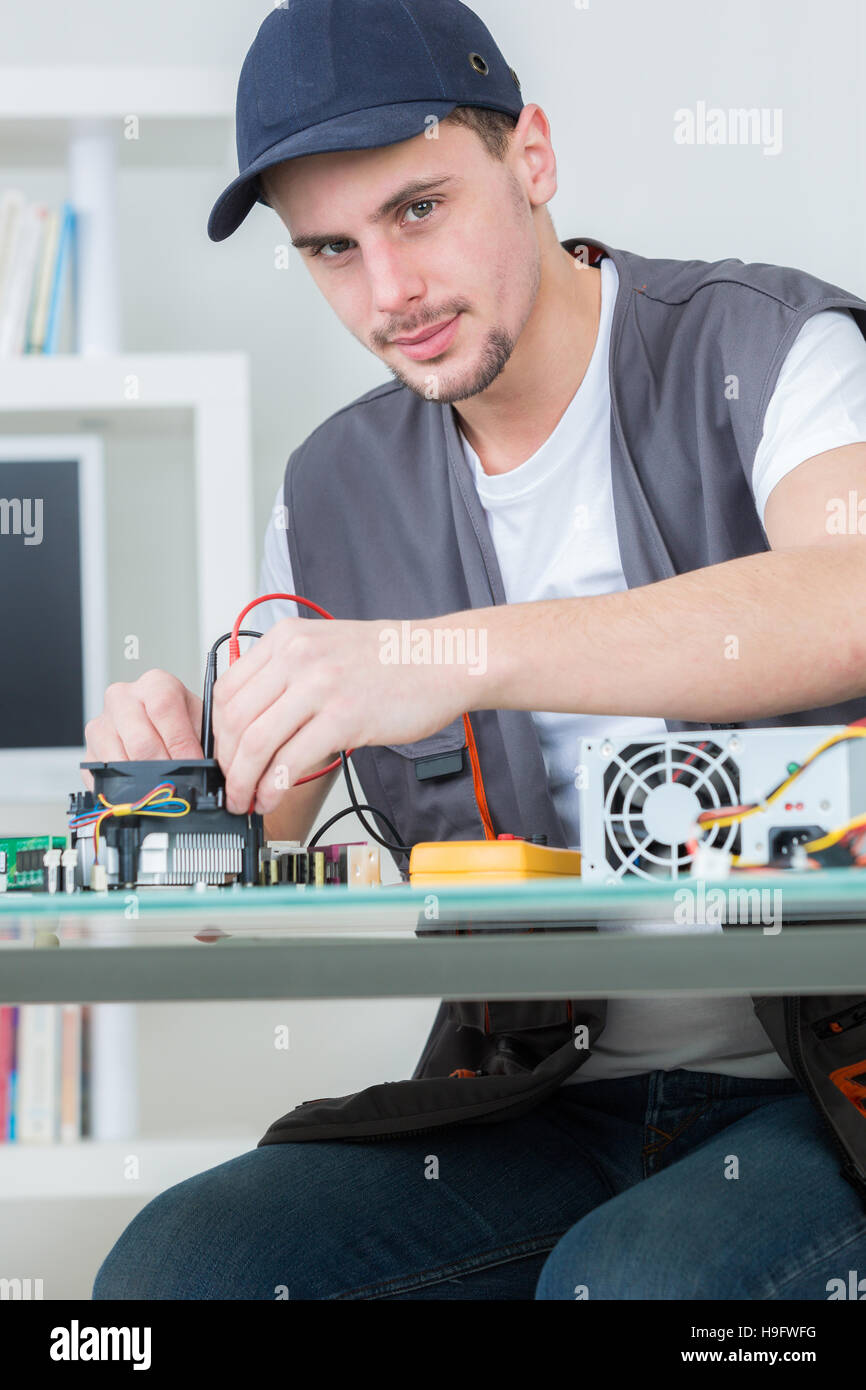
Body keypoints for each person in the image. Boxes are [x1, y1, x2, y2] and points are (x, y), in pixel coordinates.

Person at [91, 0, 866, 1299]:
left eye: (416, 210)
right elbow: (262, 839)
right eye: (330, 247)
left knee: (625, 1286)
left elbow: (843, 589)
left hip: (823, 1089)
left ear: (533, 161)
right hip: (531, 1101)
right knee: (179, 1269)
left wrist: (450, 654)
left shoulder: (767, 347)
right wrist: (185, 782)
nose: (387, 292)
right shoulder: (334, 485)